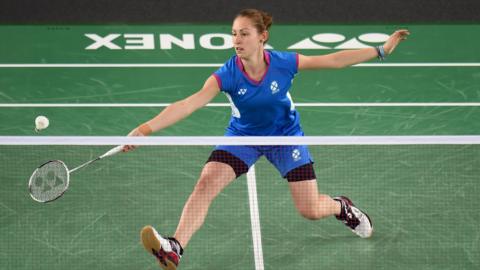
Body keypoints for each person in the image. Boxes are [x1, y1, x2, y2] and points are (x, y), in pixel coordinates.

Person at [123, 8, 409, 270]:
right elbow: (189, 103)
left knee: (310, 210)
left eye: (244, 34)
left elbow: (332, 60)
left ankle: (342, 207)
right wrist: (144, 130)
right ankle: (175, 247)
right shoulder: (228, 74)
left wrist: (380, 50)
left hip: (285, 137)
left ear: (262, 37)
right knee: (207, 181)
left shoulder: (284, 63)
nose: (237, 40)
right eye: (234, 34)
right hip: (243, 137)